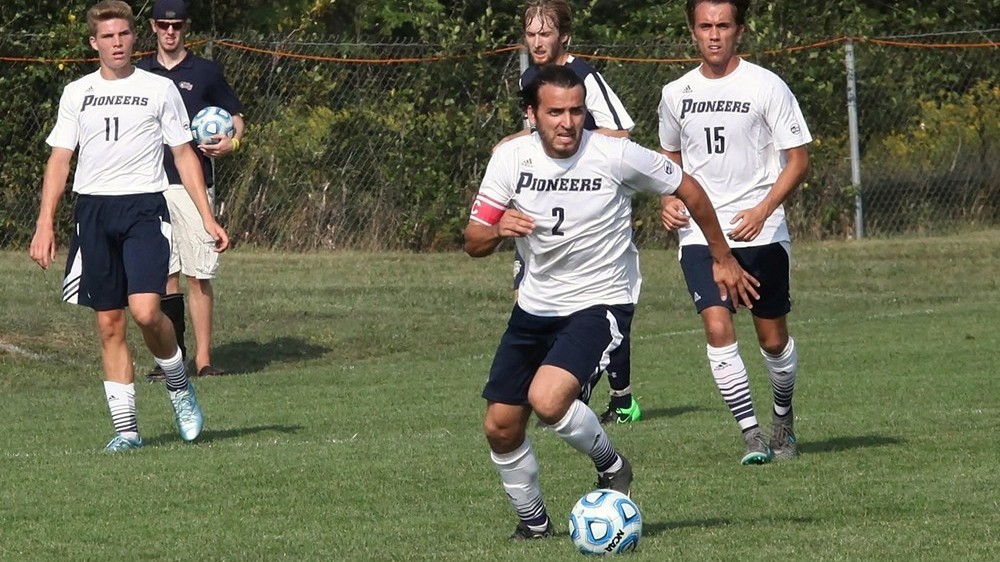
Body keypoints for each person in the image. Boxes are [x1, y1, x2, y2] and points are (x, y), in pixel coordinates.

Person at [466, 64, 757, 539]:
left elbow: (688, 187)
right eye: (555, 112)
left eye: (577, 110)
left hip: (600, 301)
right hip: (534, 307)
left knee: (548, 398)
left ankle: (613, 465)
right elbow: (473, 239)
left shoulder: (615, 155)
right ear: (531, 114)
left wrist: (721, 255)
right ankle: (535, 526)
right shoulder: (510, 159)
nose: (568, 122)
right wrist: (497, 230)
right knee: (500, 426)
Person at [29, 0, 229, 452]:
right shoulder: (76, 92)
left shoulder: (158, 89)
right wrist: (45, 223)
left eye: (124, 34)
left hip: (143, 209)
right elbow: (60, 159)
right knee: (109, 324)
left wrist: (206, 217)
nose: (117, 43)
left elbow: (183, 154)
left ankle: (178, 383)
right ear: (93, 42)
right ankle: (126, 431)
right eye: (108, 36)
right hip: (94, 213)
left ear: (134, 37)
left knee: (144, 311)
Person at [657, 0, 812, 465]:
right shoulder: (675, 93)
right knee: (718, 327)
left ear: (739, 30)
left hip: (760, 233)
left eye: (723, 25)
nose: (714, 34)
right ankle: (752, 436)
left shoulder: (767, 85)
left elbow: (799, 159)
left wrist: (764, 209)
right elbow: (669, 159)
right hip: (701, 233)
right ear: (692, 32)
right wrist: (668, 198)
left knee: (771, 340)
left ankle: (782, 420)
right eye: (705, 26)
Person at [497, 0, 643, 426]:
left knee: (600, 300)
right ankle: (556, 390)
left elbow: (622, 130)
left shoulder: (583, 76)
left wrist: (575, 140)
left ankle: (614, 395)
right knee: (530, 294)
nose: (538, 42)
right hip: (542, 210)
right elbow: (532, 135)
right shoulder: (530, 79)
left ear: (564, 36)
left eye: (546, 33)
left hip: (591, 210)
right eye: (531, 33)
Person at [136, 0, 245, 381]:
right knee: (165, 273)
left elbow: (234, 116)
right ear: (152, 27)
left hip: (194, 185)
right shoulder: (140, 73)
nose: (170, 32)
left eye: (177, 26)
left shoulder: (205, 72)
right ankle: (172, 360)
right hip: (149, 184)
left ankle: (203, 360)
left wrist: (233, 142)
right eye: (164, 26)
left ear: (186, 27)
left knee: (199, 272)